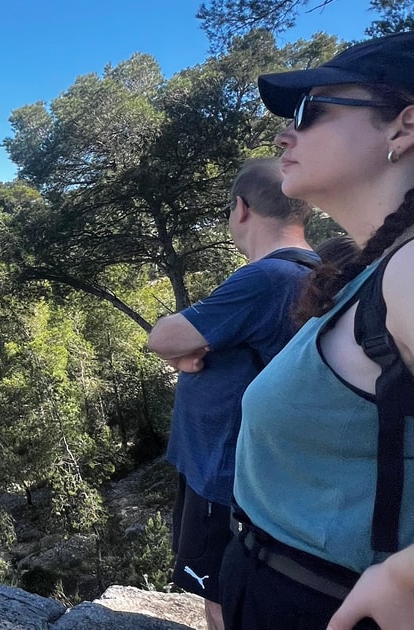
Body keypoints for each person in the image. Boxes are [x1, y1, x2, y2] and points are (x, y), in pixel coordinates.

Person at [220, 31, 414, 630]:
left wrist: (407, 577)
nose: (285, 134)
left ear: (404, 128)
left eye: (311, 111)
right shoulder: (376, 270)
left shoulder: (413, 268)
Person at [147, 158, 317, 630]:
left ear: (240, 209)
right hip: (263, 470)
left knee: (222, 598)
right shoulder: (314, 270)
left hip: (222, 475)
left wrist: (182, 352)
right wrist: (189, 353)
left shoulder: (267, 277)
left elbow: (164, 337)